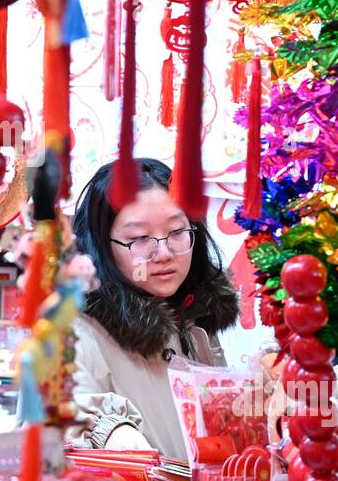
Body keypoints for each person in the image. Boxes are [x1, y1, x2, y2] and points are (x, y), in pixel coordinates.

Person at [67, 158, 240, 458]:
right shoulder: (72, 330)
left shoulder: (194, 318)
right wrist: (109, 430)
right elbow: (61, 416)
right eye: (139, 238)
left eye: (176, 232)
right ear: (100, 245)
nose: (163, 253)